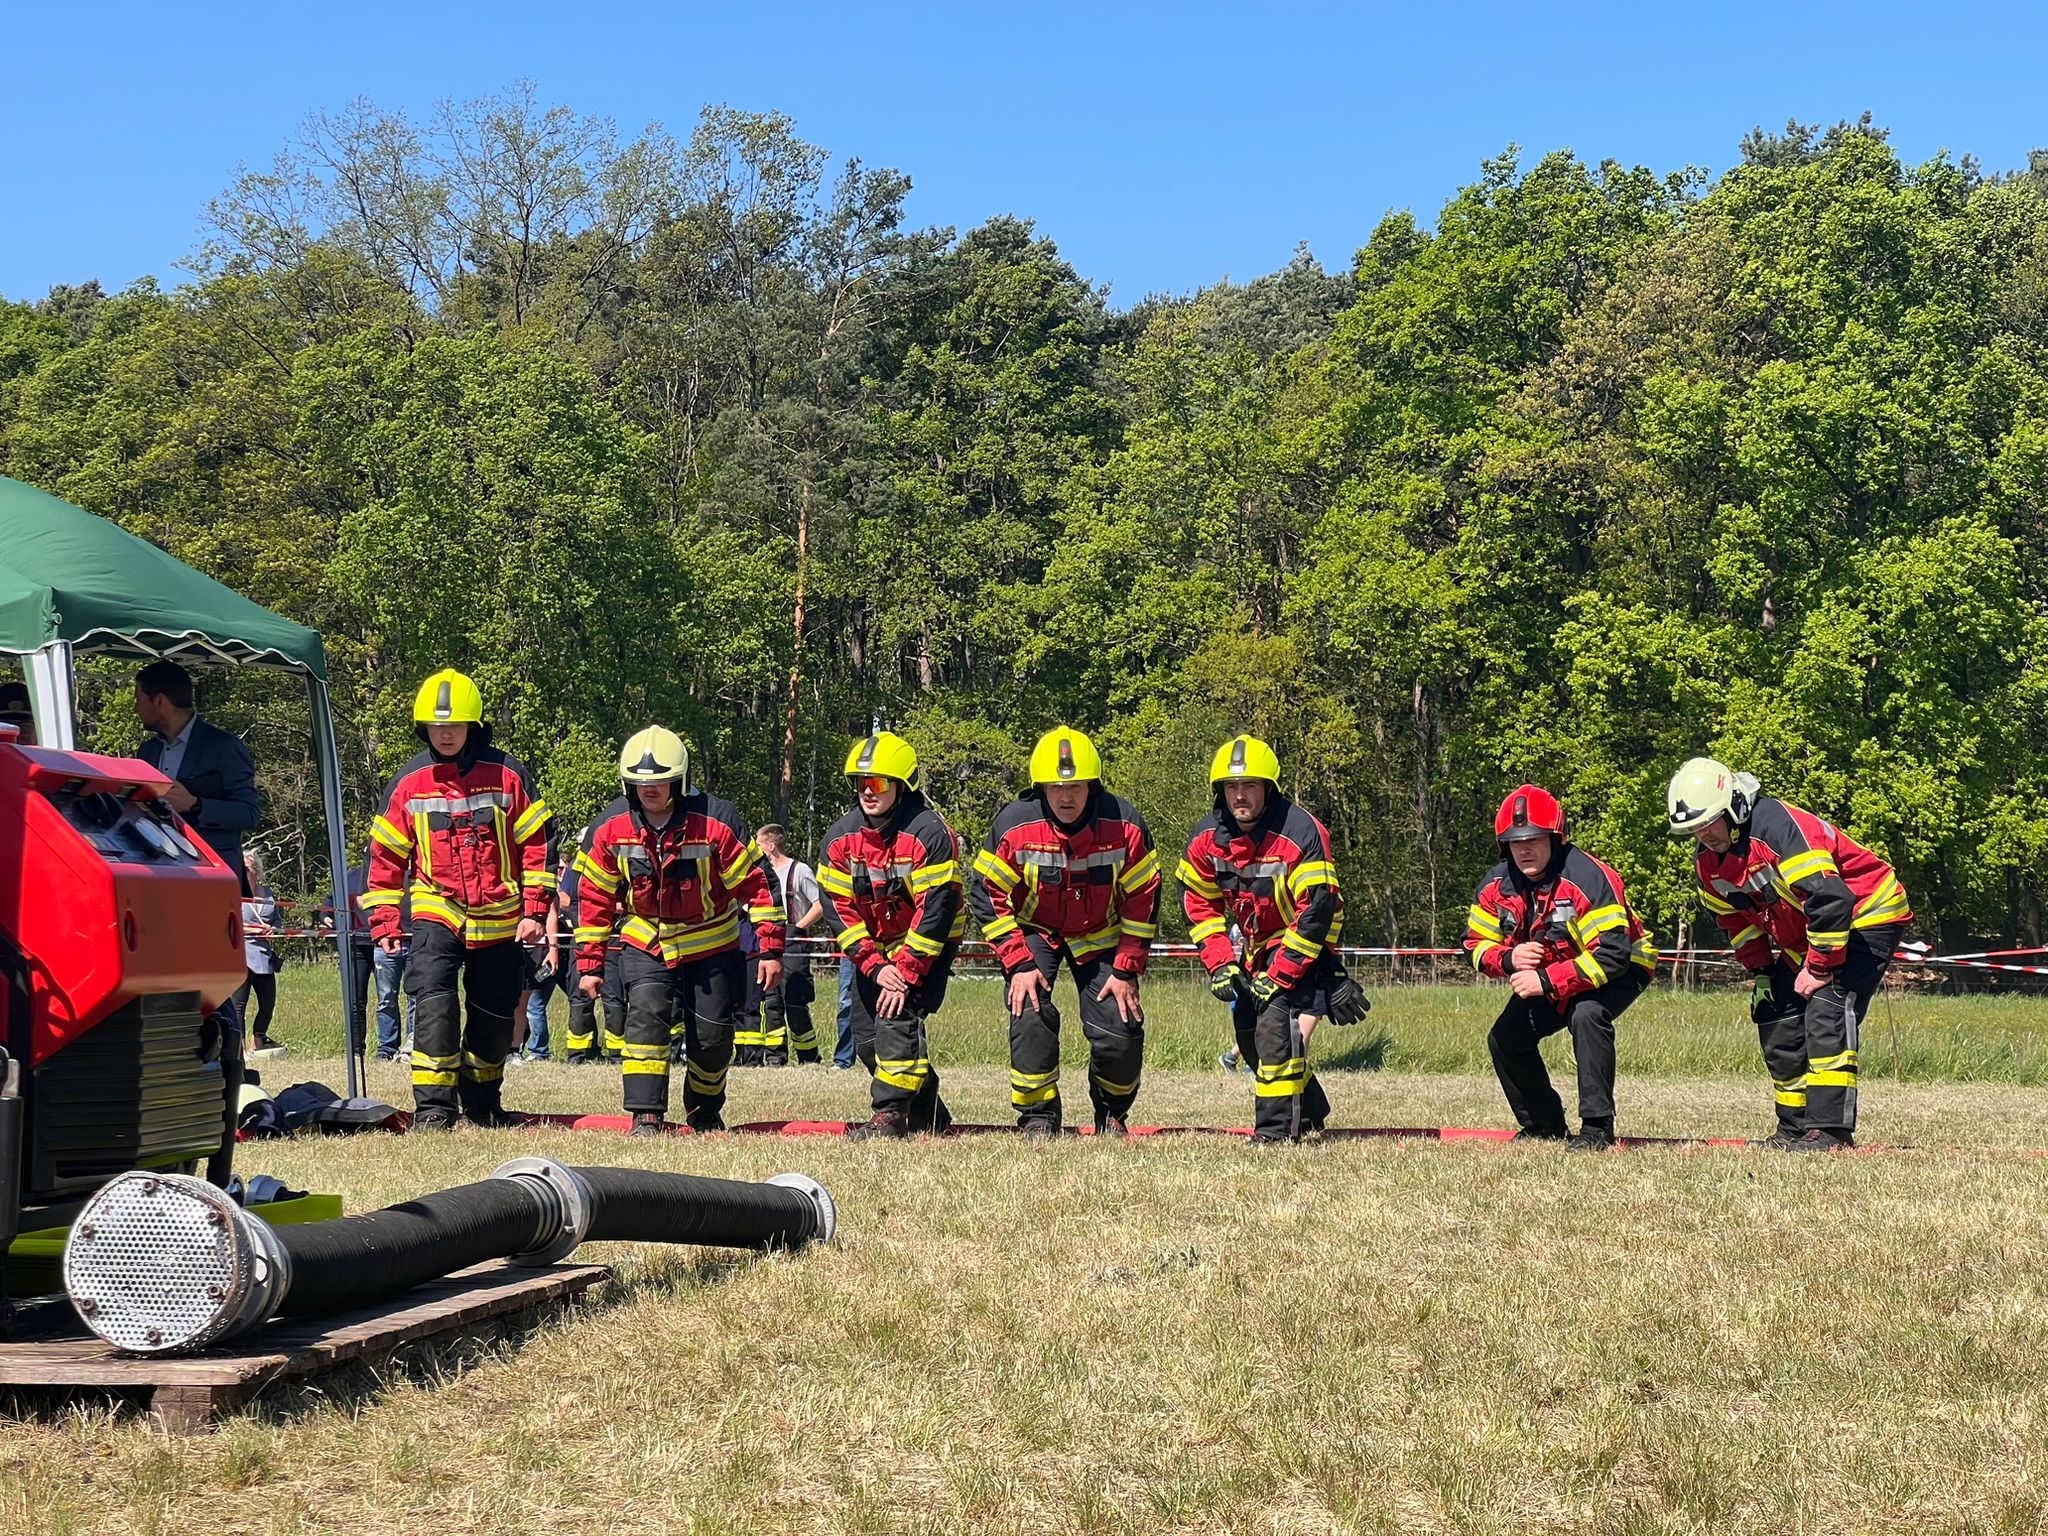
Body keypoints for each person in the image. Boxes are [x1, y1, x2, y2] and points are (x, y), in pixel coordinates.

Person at [1667, 757, 1912, 1152]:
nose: (1703, 834)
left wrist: (1819, 967)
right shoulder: (1708, 864)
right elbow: (1736, 921)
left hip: (1866, 914)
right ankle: (1794, 1128)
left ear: (1733, 809)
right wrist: (1762, 972)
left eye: (1708, 822)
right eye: (1694, 828)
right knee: (1775, 1013)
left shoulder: (1777, 828)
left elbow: (1830, 899)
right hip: (1810, 934)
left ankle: (1829, 1132)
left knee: (1827, 1005)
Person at [363, 668, 553, 1130]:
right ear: (423, 728)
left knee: (495, 1015)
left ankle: (483, 1104)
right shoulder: (409, 783)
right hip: (437, 909)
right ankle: (434, 1108)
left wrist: (534, 910)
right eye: (436, 726)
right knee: (434, 1006)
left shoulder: (508, 775)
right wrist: (385, 921)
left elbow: (538, 843)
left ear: (473, 725)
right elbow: (385, 856)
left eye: (453, 726)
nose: (445, 734)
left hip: (500, 917)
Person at [574, 728, 785, 1134]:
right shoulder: (611, 826)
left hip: (712, 942)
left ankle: (703, 1111)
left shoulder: (717, 821)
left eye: (660, 780)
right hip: (646, 941)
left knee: (712, 1038)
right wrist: (589, 965)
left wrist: (771, 950)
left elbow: (757, 885)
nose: (649, 789)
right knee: (645, 1023)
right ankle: (646, 1115)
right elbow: (594, 897)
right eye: (640, 782)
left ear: (681, 780)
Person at [971, 726, 1161, 1139]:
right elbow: (986, 892)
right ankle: (1038, 1118)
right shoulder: (1014, 824)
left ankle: (1112, 1113)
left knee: (1120, 1027)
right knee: (1029, 1010)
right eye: (1056, 788)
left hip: (1103, 936)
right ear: (1040, 788)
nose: (1066, 797)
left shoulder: (1125, 824)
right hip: (1036, 933)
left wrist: (1126, 969)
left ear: (1093, 785)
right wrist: (1019, 963)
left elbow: (1144, 897)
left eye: (1075, 786)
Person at [1178, 735, 1369, 1146]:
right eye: (1231, 786)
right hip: (1256, 944)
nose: (1240, 795)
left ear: (1269, 788)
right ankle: (1311, 1110)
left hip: (1306, 938)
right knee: (1248, 1034)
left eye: (1249, 785)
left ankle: (1275, 1133)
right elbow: (1198, 903)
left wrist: (1283, 975)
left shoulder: (1301, 831)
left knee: (1273, 1025)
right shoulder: (1205, 839)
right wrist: (1220, 964)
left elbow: (1315, 911)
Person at [1463, 785, 1656, 1150]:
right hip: (1552, 974)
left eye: (1534, 839)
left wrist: (1546, 980)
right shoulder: (1494, 885)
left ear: (1556, 838)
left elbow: (1612, 955)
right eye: (1515, 842)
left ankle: (1597, 1128)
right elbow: (1474, 945)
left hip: (1622, 967)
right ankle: (1543, 1125)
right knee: (1505, 1038)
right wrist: (1508, 958)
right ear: (1504, 846)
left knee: (1587, 1015)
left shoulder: (1589, 878)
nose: (1524, 849)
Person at [817, 732, 964, 1139]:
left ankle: (890, 1116)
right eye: (861, 782)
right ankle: (929, 1115)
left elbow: (935, 911)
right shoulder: (839, 838)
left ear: (902, 785)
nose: (868, 791)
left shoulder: (930, 834)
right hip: (875, 953)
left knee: (896, 1019)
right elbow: (838, 910)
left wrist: (905, 971)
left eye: (879, 782)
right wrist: (875, 965)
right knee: (867, 1041)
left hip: (926, 946)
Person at [134, 661, 260, 894]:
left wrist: (196, 805)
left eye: (139, 699)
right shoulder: (147, 752)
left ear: (159, 701)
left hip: (212, 879)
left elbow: (248, 814)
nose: (136, 709)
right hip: (158, 877)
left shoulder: (224, 747)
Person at [558, 815, 628, 1064]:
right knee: (580, 997)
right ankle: (579, 1052)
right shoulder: (577, 868)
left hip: (611, 939)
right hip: (583, 938)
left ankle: (616, 1053)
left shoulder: (615, 863)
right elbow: (564, 899)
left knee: (614, 997)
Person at [756, 823, 824, 1065]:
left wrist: (798, 927)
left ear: (771, 846)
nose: (755, 849)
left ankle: (809, 1057)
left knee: (795, 1002)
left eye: (759, 844)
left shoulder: (800, 871)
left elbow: (820, 904)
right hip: (768, 943)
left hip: (794, 944)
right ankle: (775, 1058)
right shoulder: (760, 874)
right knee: (771, 1003)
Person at [233, 852, 284, 1052]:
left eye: (248, 868)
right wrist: (253, 930)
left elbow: (277, 920)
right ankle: (239, 1048)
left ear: (257, 871)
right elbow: (227, 923)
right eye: (242, 868)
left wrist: (274, 929)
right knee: (238, 1005)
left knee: (268, 1002)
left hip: (264, 956)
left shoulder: (269, 894)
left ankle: (259, 1040)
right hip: (241, 955)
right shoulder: (233, 893)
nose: (245, 872)